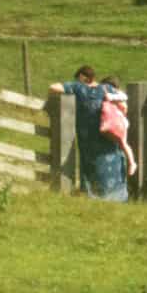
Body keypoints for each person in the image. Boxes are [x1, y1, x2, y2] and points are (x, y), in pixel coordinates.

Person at [47, 66, 128, 201]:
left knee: (91, 166)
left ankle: (93, 196)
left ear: (82, 77)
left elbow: (53, 87)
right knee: (112, 165)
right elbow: (124, 105)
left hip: (89, 138)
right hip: (110, 135)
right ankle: (117, 197)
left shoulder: (79, 88)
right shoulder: (107, 88)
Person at [99, 77, 137, 177]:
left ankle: (132, 163)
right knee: (120, 143)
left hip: (120, 123)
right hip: (114, 122)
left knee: (123, 143)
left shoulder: (118, 94)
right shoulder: (110, 95)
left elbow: (124, 100)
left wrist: (111, 97)